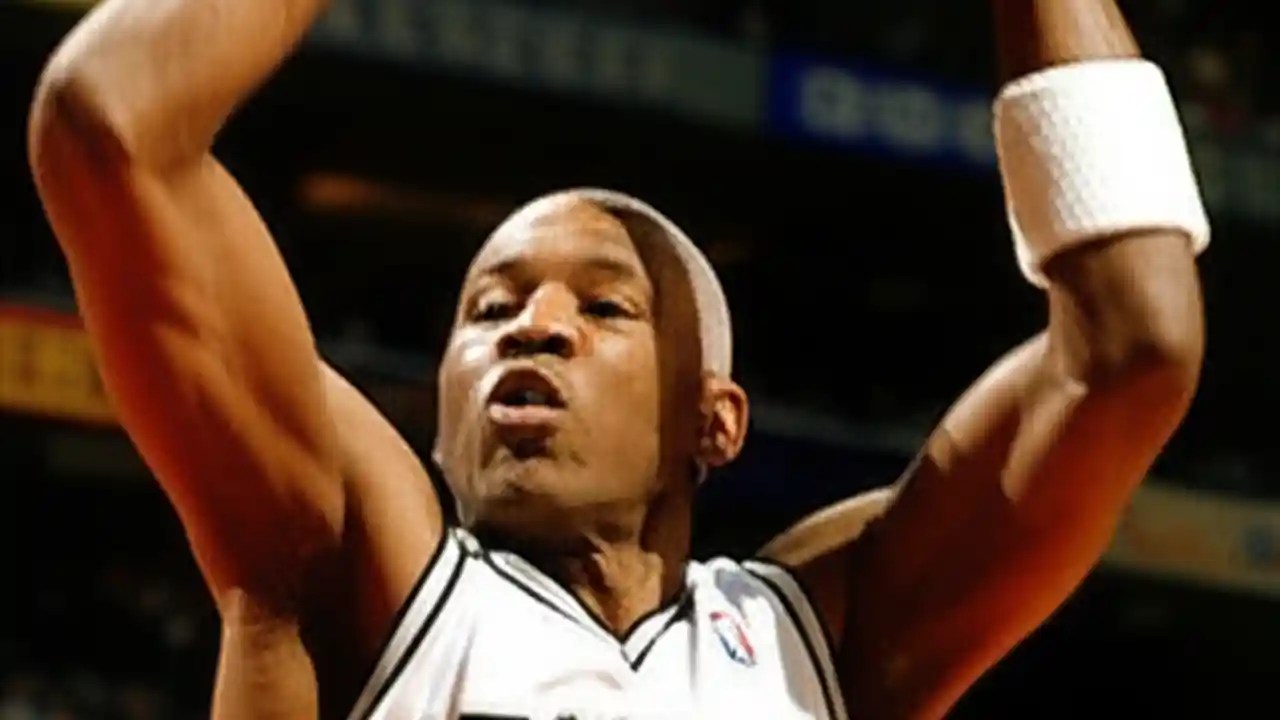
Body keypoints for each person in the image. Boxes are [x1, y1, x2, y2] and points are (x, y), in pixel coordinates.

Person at [27, 0, 1208, 717]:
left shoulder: (818, 644)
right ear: (435, 418)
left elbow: (1129, 349)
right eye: (487, 310)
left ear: (715, 421)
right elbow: (109, 127)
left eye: (603, 308)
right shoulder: (363, 571)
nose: (531, 329)